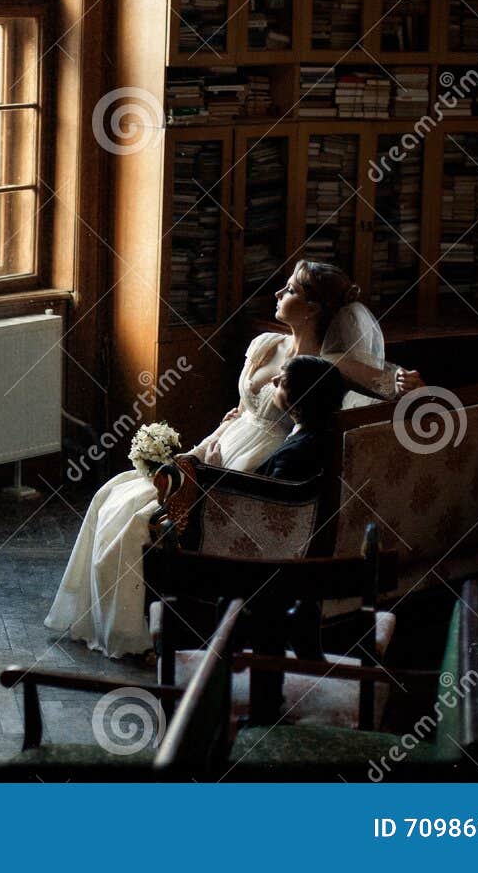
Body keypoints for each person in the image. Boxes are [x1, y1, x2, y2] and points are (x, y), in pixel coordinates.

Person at [44, 259, 423, 658]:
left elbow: (386, 381)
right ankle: (104, 616)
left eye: (291, 290)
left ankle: (139, 630)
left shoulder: (331, 365)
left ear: (312, 308)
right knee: (114, 494)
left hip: (255, 461)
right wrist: (219, 431)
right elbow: (244, 404)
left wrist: (404, 383)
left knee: (142, 518)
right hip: (224, 441)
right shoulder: (266, 345)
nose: (278, 294)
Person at [251, 355, 347, 481]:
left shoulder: (293, 455)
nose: (274, 380)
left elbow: (267, 497)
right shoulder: (332, 431)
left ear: (297, 407)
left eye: (282, 383)